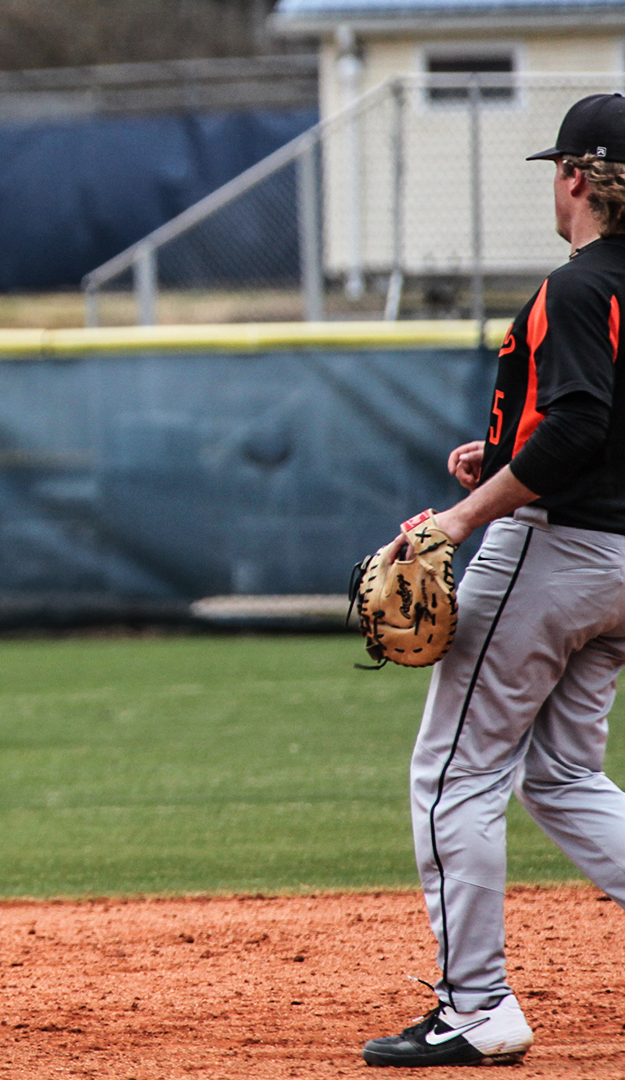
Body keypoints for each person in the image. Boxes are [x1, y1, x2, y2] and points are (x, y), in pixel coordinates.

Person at [360, 92, 625, 1068]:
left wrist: (464, 517)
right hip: (621, 568)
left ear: (574, 179)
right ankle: (474, 1002)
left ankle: (476, 1009)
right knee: (559, 776)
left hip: (555, 555)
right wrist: (508, 453)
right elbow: (588, 430)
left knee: (454, 774)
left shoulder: (580, 284)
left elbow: (584, 425)